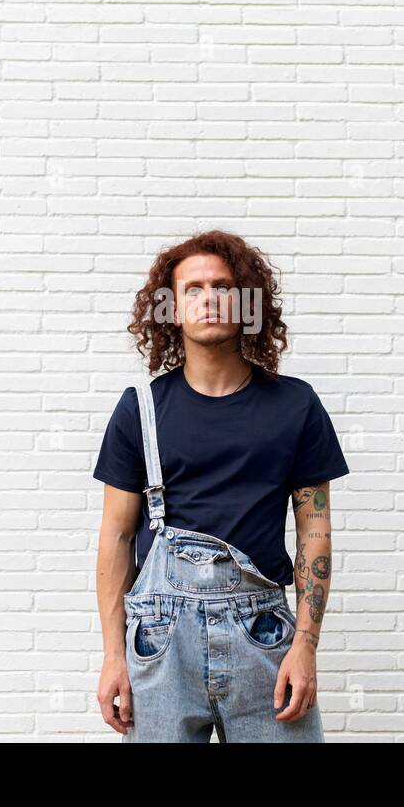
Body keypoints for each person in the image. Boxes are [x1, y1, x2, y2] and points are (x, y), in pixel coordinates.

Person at [93, 229, 349, 742]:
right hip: (159, 645)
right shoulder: (139, 410)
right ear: (169, 307)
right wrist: (113, 655)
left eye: (223, 286)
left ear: (248, 302)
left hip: (265, 638)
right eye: (192, 288)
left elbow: (313, 533)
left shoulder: (295, 406)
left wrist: (305, 645)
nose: (208, 299)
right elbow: (116, 537)